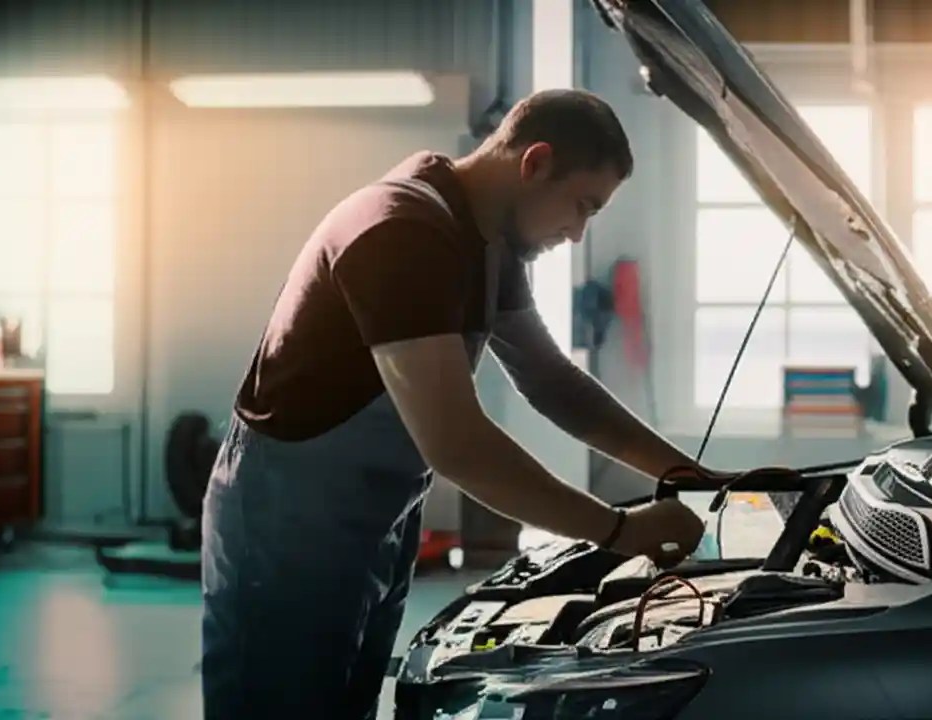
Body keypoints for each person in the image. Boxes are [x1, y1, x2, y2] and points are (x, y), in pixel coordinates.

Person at [199, 88, 724, 719]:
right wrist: (619, 531)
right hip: (284, 521)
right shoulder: (400, 231)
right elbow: (457, 446)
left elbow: (553, 383)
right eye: (582, 205)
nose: (577, 232)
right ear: (535, 162)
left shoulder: (485, 242)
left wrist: (691, 477)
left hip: (373, 523)